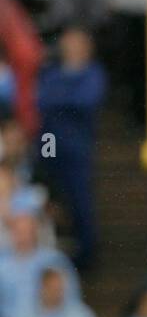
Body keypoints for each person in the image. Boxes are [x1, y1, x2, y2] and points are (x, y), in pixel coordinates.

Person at [36, 27, 106, 269]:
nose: (73, 49)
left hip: (77, 149)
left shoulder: (93, 73)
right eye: (69, 43)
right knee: (48, 199)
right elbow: (42, 99)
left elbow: (85, 100)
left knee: (80, 202)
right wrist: (66, 95)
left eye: (78, 43)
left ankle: (86, 256)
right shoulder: (52, 72)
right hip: (48, 147)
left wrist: (60, 95)